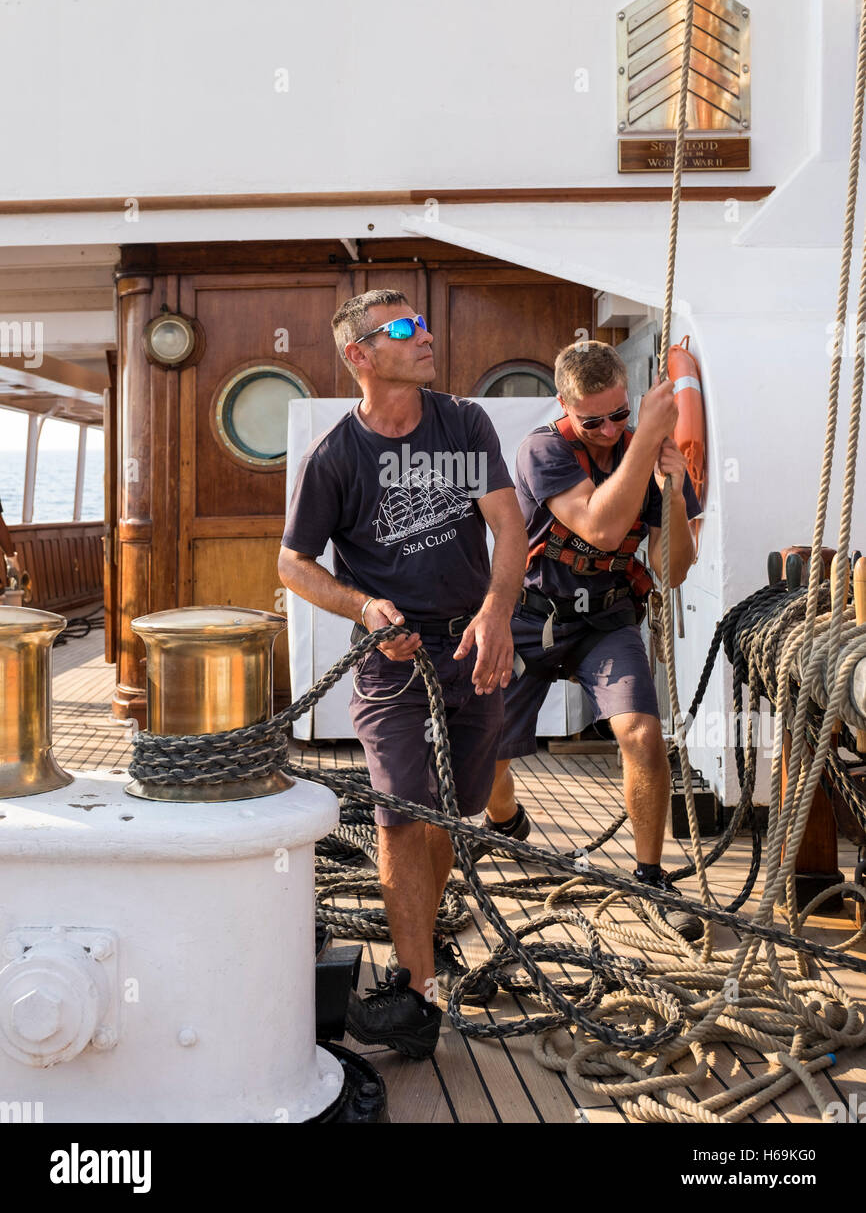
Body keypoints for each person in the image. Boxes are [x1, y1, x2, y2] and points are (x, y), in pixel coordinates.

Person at [278, 289, 527, 1058]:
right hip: (394, 668)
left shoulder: (463, 424)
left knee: (451, 815)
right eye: (403, 329)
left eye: (422, 321)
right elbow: (292, 563)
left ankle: (422, 946)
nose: (425, 335)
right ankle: (416, 991)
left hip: (473, 655)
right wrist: (363, 609)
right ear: (360, 356)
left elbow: (510, 529)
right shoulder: (336, 457)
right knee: (400, 814)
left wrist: (496, 614)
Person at [481, 340, 703, 938]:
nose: (609, 431)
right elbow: (601, 529)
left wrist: (674, 492)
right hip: (531, 618)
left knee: (642, 733)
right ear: (564, 407)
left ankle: (649, 875)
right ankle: (505, 824)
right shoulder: (543, 449)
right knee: (490, 753)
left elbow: (675, 569)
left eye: (620, 415)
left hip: (605, 619)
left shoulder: (653, 454)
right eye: (593, 420)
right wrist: (642, 447)